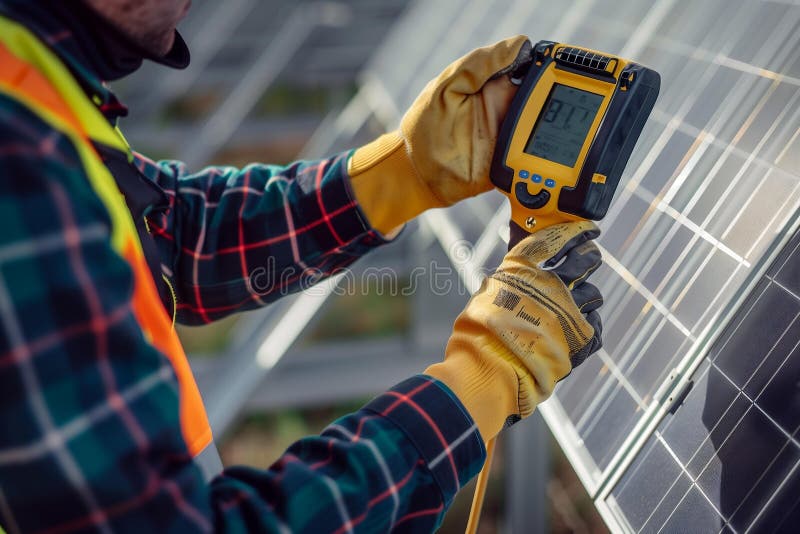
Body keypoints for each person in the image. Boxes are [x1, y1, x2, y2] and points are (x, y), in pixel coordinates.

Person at [0, 0, 604, 531]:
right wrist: (480, 382)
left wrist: (406, 175)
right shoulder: (17, 157)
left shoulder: (27, 77)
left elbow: (163, 230)